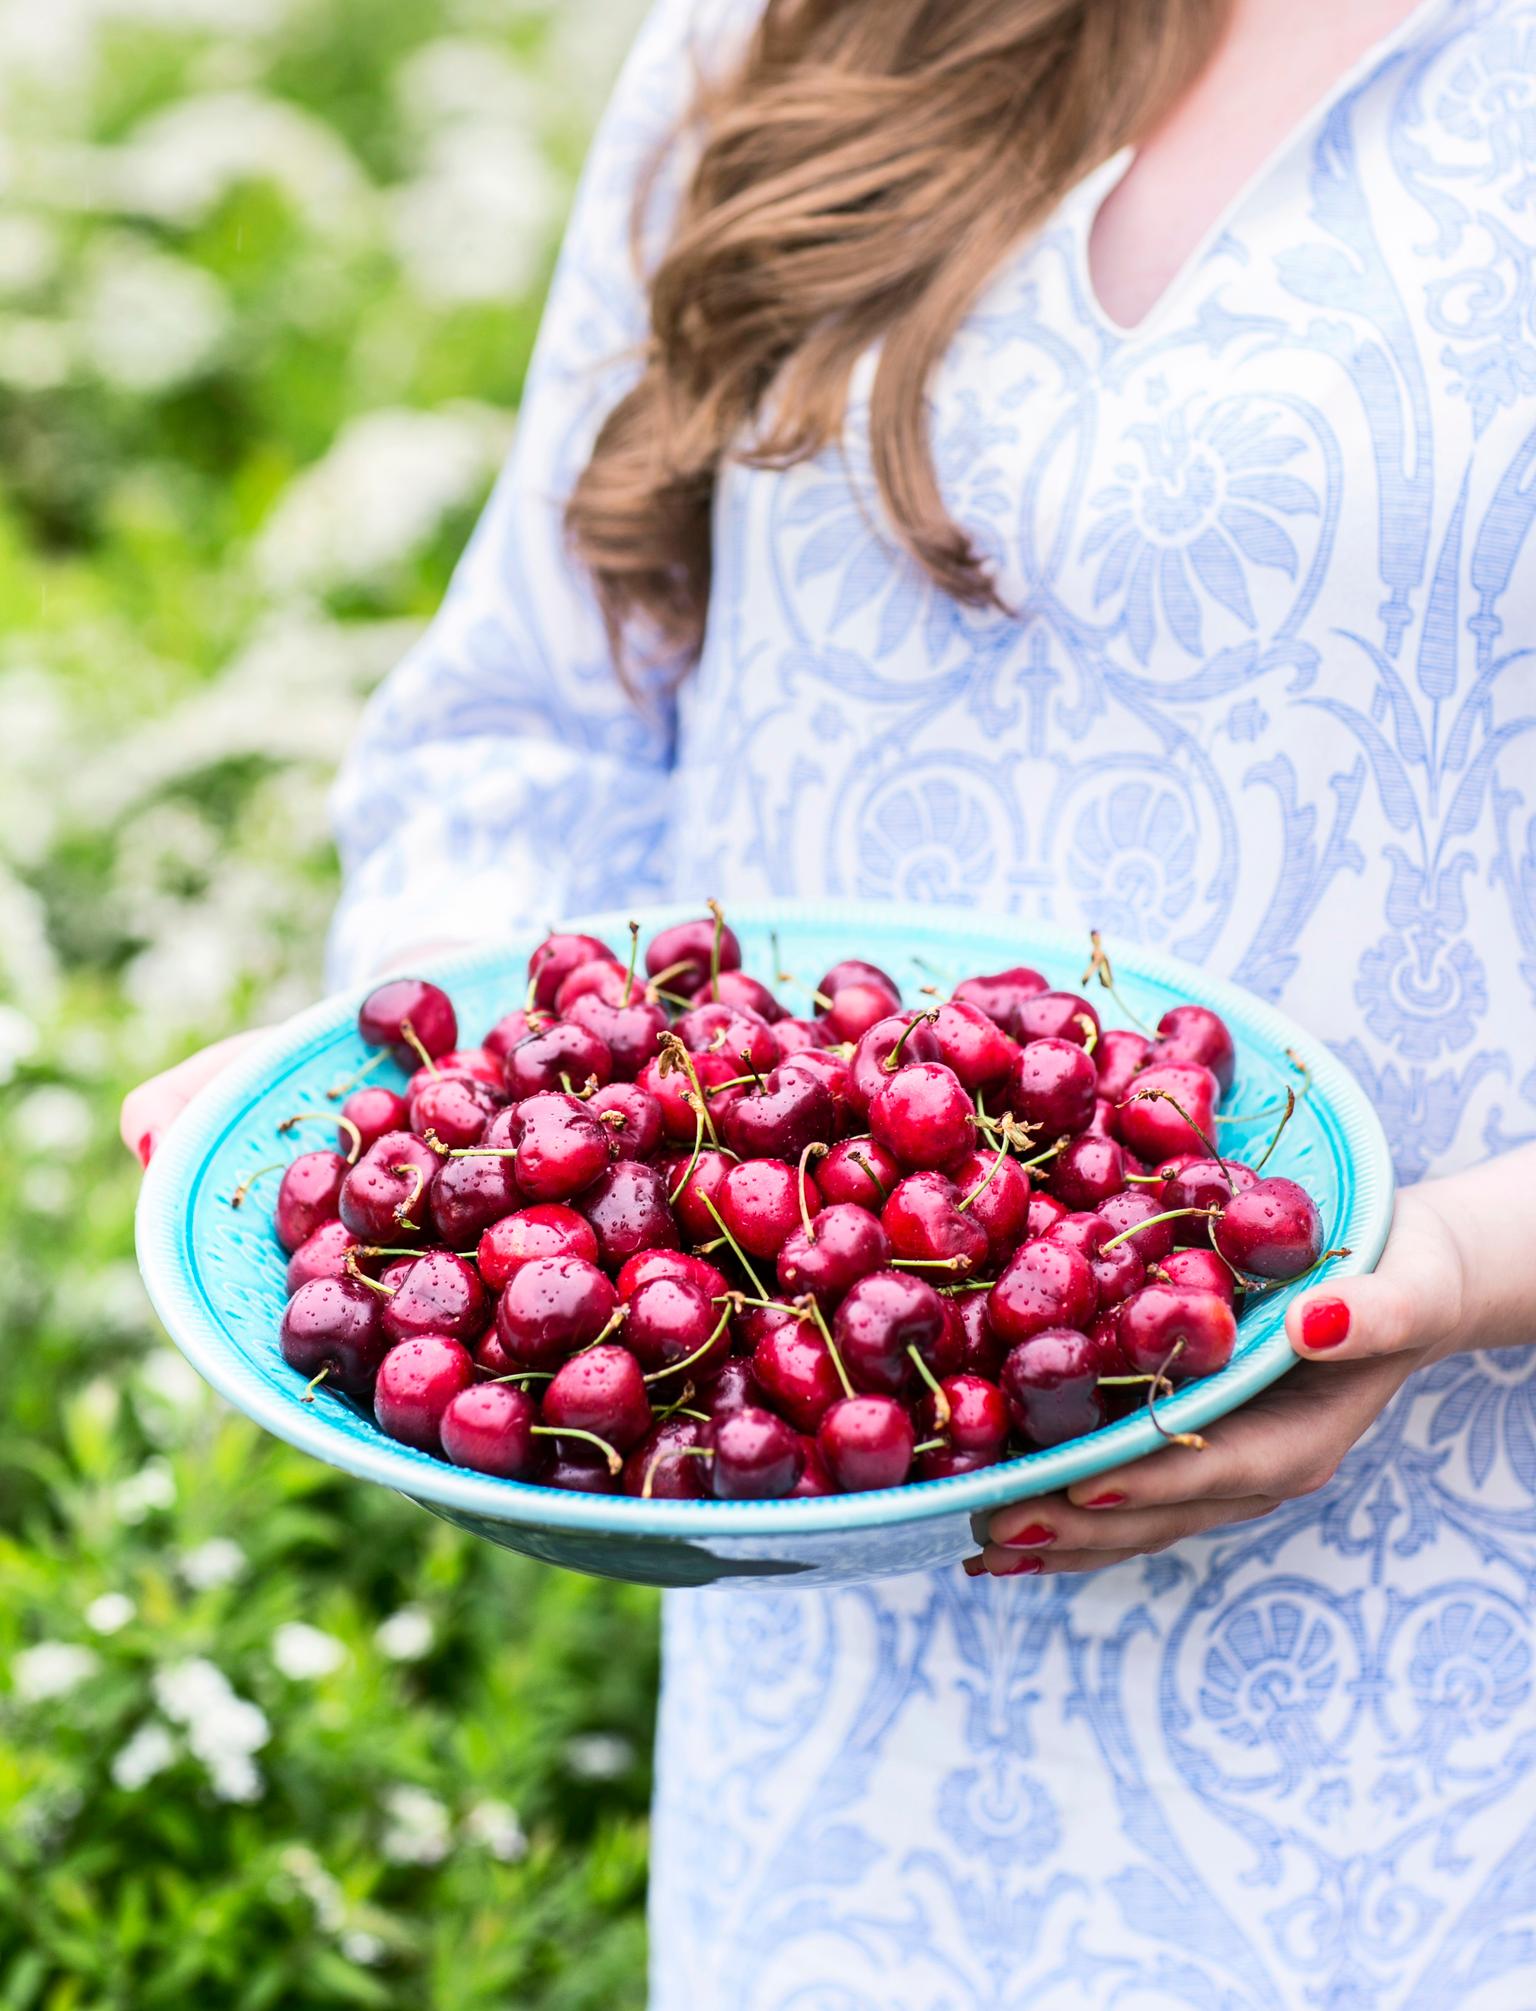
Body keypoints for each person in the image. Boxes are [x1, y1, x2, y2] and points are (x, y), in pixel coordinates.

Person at [124, 0, 1536, 2002]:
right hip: (829, 1723)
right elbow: (532, 729)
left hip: (1447, 1751)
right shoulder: (785, 27)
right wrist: (407, 1124)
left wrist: (1465, 1263)